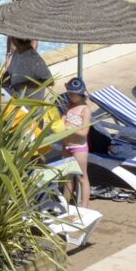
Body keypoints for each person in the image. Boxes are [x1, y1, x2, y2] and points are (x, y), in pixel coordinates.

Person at [57, 80, 93, 213]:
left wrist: (71, 128)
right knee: (67, 177)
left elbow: (84, 132)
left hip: (79, 148)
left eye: (74, 94)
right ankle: (65, 204)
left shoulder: (85, 109)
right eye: (69, 93)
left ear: (81, 94)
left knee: (82, 178)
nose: (71, 96)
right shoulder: (68, 106)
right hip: (66, 146)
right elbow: (62, 122)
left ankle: (84, 207)